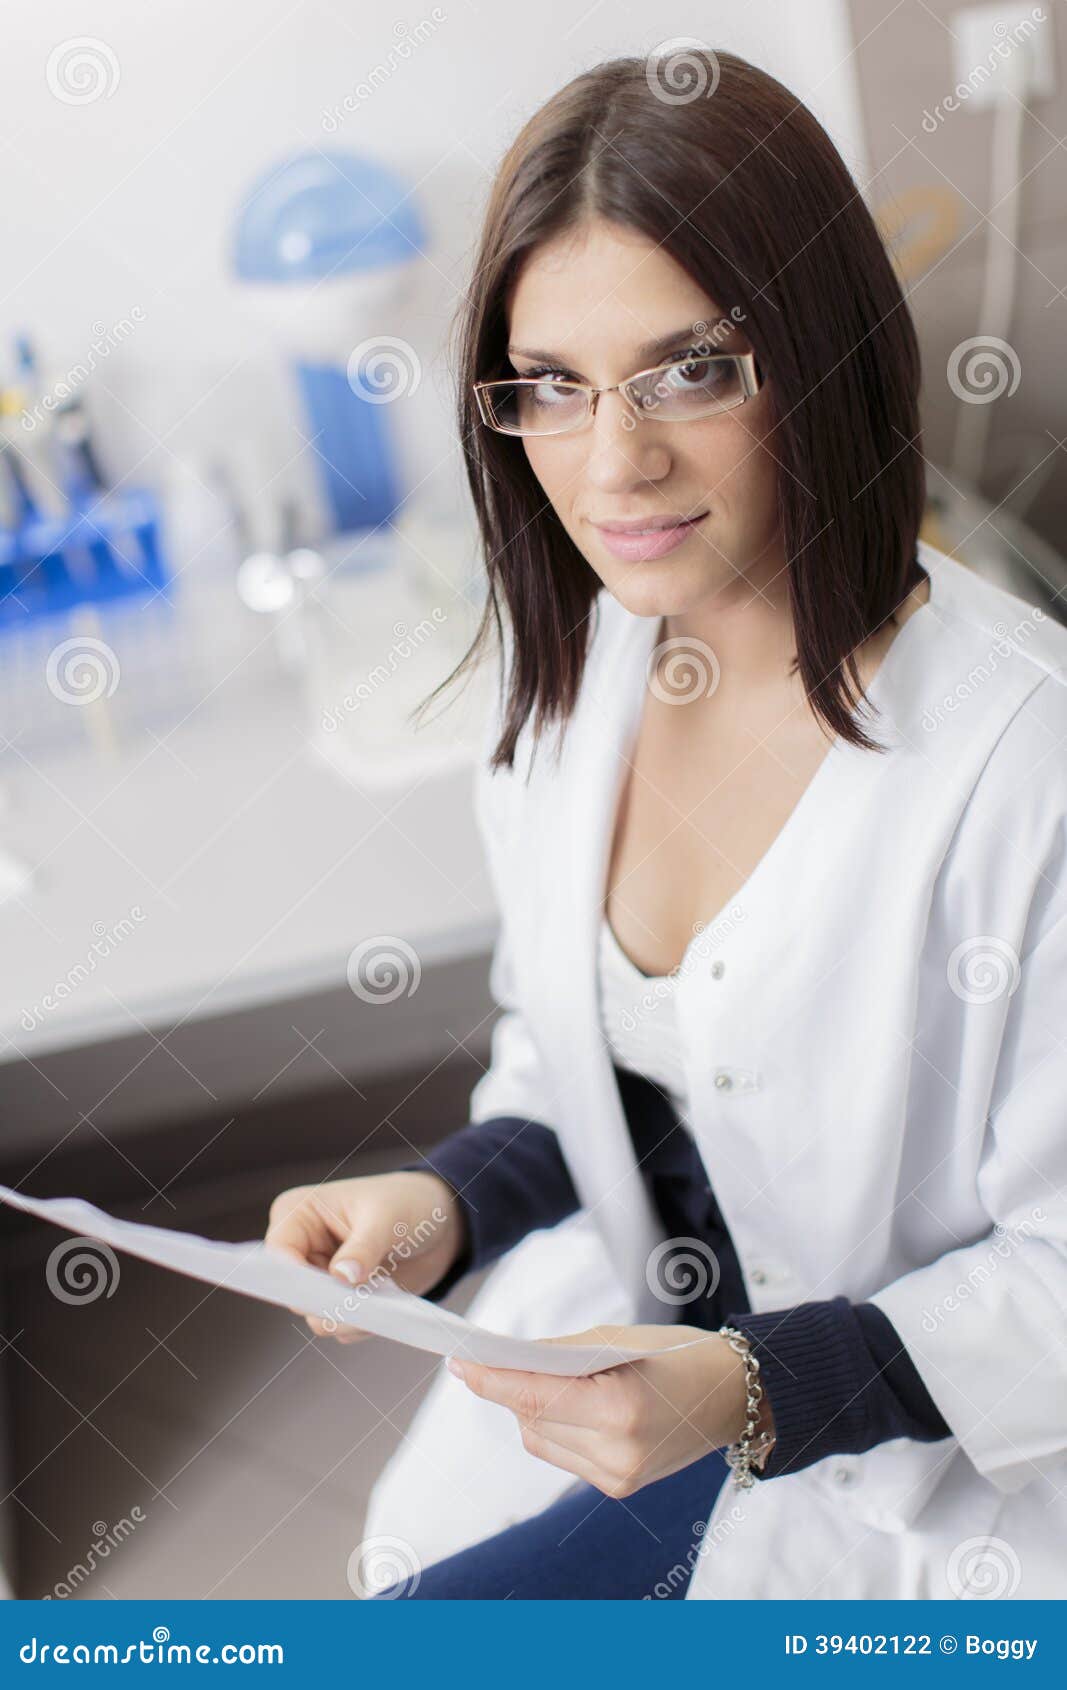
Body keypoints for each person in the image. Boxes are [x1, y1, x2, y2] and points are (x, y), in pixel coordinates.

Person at [265, 49, 1067, 1600]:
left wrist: (751, 1386)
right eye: (552, 385)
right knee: (392, 1591)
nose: (613, 461)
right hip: (643, 1345)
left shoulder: (1024, 761)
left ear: (821, 358)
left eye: (691, 368)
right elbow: (586, 1059)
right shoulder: (588, 674)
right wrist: (445, 1204)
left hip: (939, 1461)